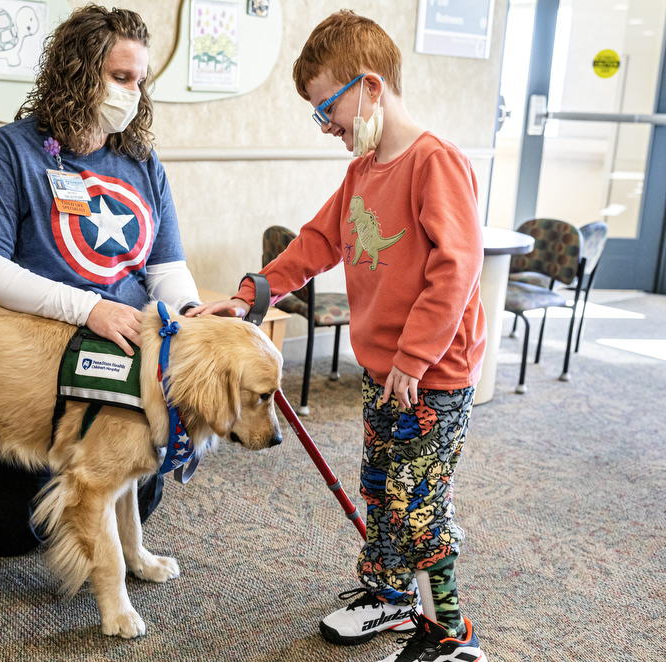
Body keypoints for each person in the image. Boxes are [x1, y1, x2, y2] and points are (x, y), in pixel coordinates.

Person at [189, 10, 488, 662]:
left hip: (433, 378)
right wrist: (249, 295)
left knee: (418, 506)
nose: (326, 125)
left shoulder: (435, 163)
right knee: (381, 486)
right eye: (317, 113)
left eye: (328, 107)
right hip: (387, 373)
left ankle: (451, 635)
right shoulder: (362, 174)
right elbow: (315, 244)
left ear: (371, 87)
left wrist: (414, 356)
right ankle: (390, 595)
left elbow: (458, 267)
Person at [0, 5, 200, 555]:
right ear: (78, 72)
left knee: (136, 500)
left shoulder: (142, 161)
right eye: (120, 77)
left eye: (140, 80)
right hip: (38, 360)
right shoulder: (8, 150)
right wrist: (87, 309)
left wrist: (186, 314)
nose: (133, 93)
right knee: (8, 533)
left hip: (126, 355)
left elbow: (166, 267)